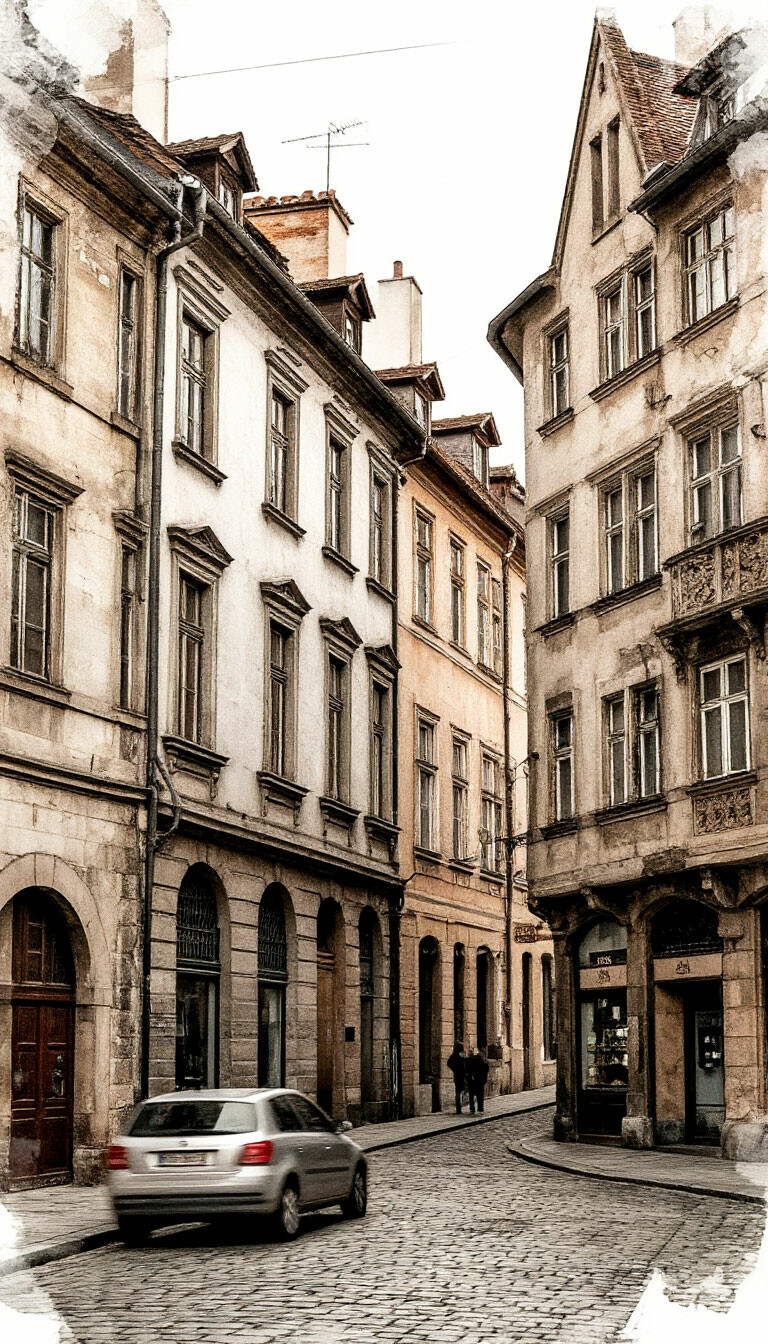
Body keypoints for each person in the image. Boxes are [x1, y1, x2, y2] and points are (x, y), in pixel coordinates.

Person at [466, 1046, 489, 1114]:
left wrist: (469, 1076)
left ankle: (472, 1108)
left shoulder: (470, 1060)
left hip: (472, 1079)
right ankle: (480, 1108)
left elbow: (467, 1069)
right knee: (480, 1095)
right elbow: (486, 1069)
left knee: (471, 1095)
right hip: (480, 1080)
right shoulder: (482, 1061)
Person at [446, 1042, 467, 1114]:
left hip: (460, 1074)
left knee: (460, 1090)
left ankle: (459, 1106)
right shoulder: (457, 1055)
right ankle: (459, 1108)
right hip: (459, 1074)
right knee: (459, 1090)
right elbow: (449, 1063)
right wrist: (455, 1069)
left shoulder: (459, 1054)